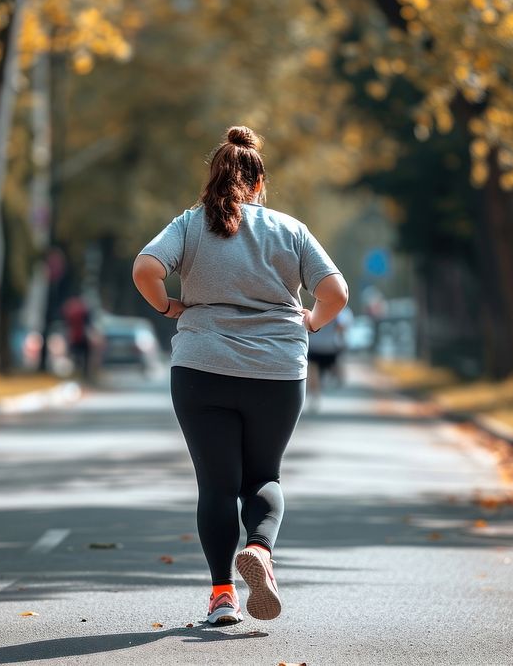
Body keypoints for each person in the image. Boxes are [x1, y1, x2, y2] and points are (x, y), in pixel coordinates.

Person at [132, 126, 348, 625]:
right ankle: (261, 553)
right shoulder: (289, 229)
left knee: (216, 485)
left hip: (201, 367)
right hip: (276, 370)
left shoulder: (189, 225)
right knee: (263, 475)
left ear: (215, 178)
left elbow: (145, 268)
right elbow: (335, 292)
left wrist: (168, 305)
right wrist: (310, 322)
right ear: (259, 183)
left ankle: (222, 596)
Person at [306, 305, 353, 412]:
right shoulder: (339, 311)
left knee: (313, 373)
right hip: (330, 346)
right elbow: (341, 327)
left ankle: (315, 396)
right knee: (331, 366)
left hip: (315, 345)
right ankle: (337, 376)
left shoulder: (314, 309)